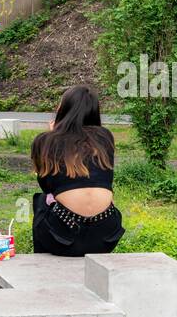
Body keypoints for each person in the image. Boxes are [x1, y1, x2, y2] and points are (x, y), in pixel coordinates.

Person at [30, 85, 124, 257]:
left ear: (64, 109)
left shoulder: (45, 141)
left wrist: (52, 135)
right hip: (106, 237)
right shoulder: (105, 138)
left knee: (42, 200)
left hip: (62, 239)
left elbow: (47, 186)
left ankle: (41, 262)